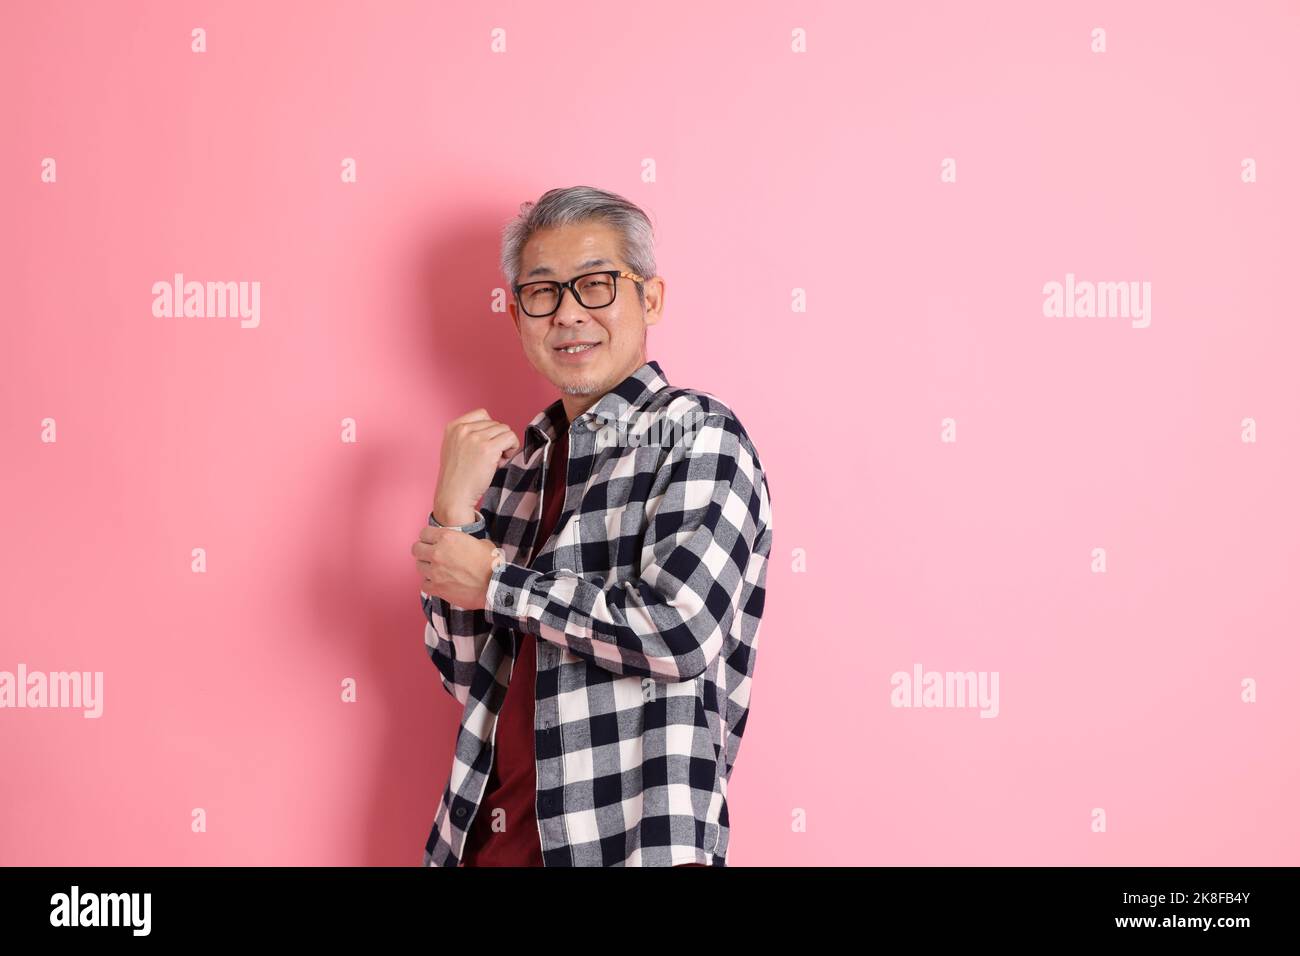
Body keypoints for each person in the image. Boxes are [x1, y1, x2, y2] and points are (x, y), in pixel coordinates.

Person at [411, 185, 774, 866]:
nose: (570, 314)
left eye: (597, 285)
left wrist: (495, 580)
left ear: (651, 299)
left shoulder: (697, 437)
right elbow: (471, 677)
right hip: (481, 847)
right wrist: (453, 514)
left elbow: (680, 631)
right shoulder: (517, 473)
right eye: (544, 293)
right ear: (517, 313)